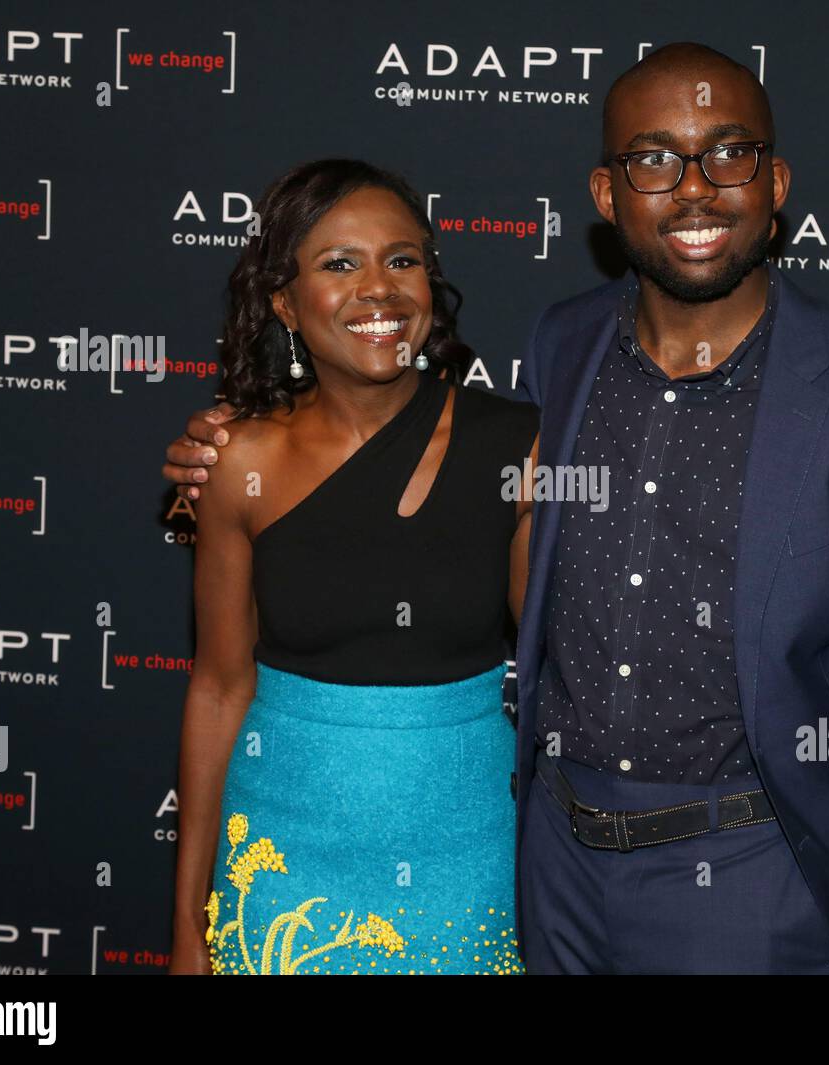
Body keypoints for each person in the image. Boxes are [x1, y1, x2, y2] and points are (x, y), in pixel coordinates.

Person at [165, 43, 829, 976]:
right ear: (606, 193)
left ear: (776, 178)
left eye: (728, 153)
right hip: (549, 867)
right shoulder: (565, 344)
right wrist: (220, 458)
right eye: (654, 160)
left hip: (748, 871)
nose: (695, 189)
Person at [167, 159, 538, 975]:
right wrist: (188, 924)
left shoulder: (518, 448)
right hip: (278, 860)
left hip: (466, 862)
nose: (380, 289)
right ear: (283, 301)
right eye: (340, 264)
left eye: (402, 260)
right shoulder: (237, 461)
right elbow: (220, 687)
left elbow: (560, 668)